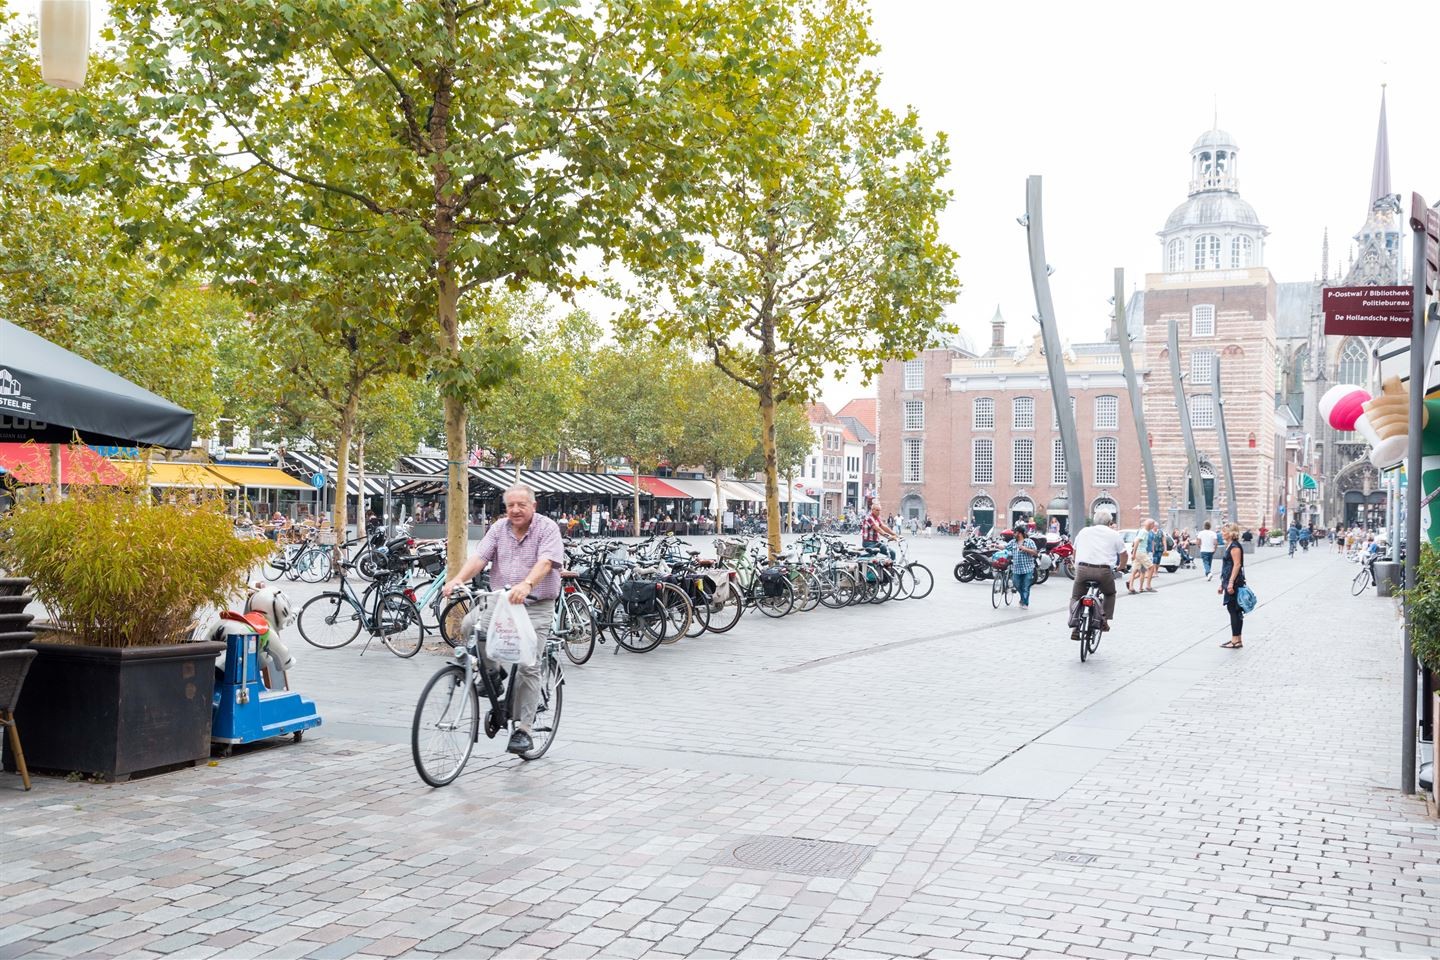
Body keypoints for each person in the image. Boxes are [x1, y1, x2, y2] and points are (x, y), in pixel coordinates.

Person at [442, 483, 564, 755]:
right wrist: (458, 579)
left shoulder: (547, 529)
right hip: (500, 602)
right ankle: (494, 675)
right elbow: (480, 557)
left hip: (535, 603)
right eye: (511, 505)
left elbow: (546, 562)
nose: (516, 510)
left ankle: (524, 730)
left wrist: (527, 584)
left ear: (534, 506)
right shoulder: (498, 529)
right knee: (469, 626)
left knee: (528, 665)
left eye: (522, 505)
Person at [1069, 511, 1129, 640]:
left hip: (1082, 569)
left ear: (1094, 521)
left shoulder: (1084, 531)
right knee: (1109, 594)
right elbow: (1124, 555)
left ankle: (1075, 625)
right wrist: (1121, 567)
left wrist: (1076, 564)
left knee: (1076, 596)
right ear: (1109, 523)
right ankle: (1104, 620)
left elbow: (1075, 550)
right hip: (1104, 572)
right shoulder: (1114, 534)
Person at [1218, 522, 1247, 649]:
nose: (1222, 533)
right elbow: (1226, 567)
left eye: (1224, 531)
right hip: (1229, 581)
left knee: (1234, 611)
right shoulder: (1230, 545)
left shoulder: (1235, 546)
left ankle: (1236, 640)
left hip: (1234, 582)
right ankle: (1236, 639)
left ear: (1231, 533)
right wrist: (1222, 584)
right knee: (1234, 610)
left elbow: (1237, 565)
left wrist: (1230, 583)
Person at [1003, 527, 1039, 609]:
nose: (1013, 534)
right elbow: (1005, 548)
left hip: (1028, 568)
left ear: (1019, 533)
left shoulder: (1029, 542)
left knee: (1026, 587)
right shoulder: (1013, 542)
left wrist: (1025, 548)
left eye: (1015, 533)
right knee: (1017, 585)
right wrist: (995, 546)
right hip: (1016, 569)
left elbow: (1035, 553)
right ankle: (1023, 598)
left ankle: (1025, 603)